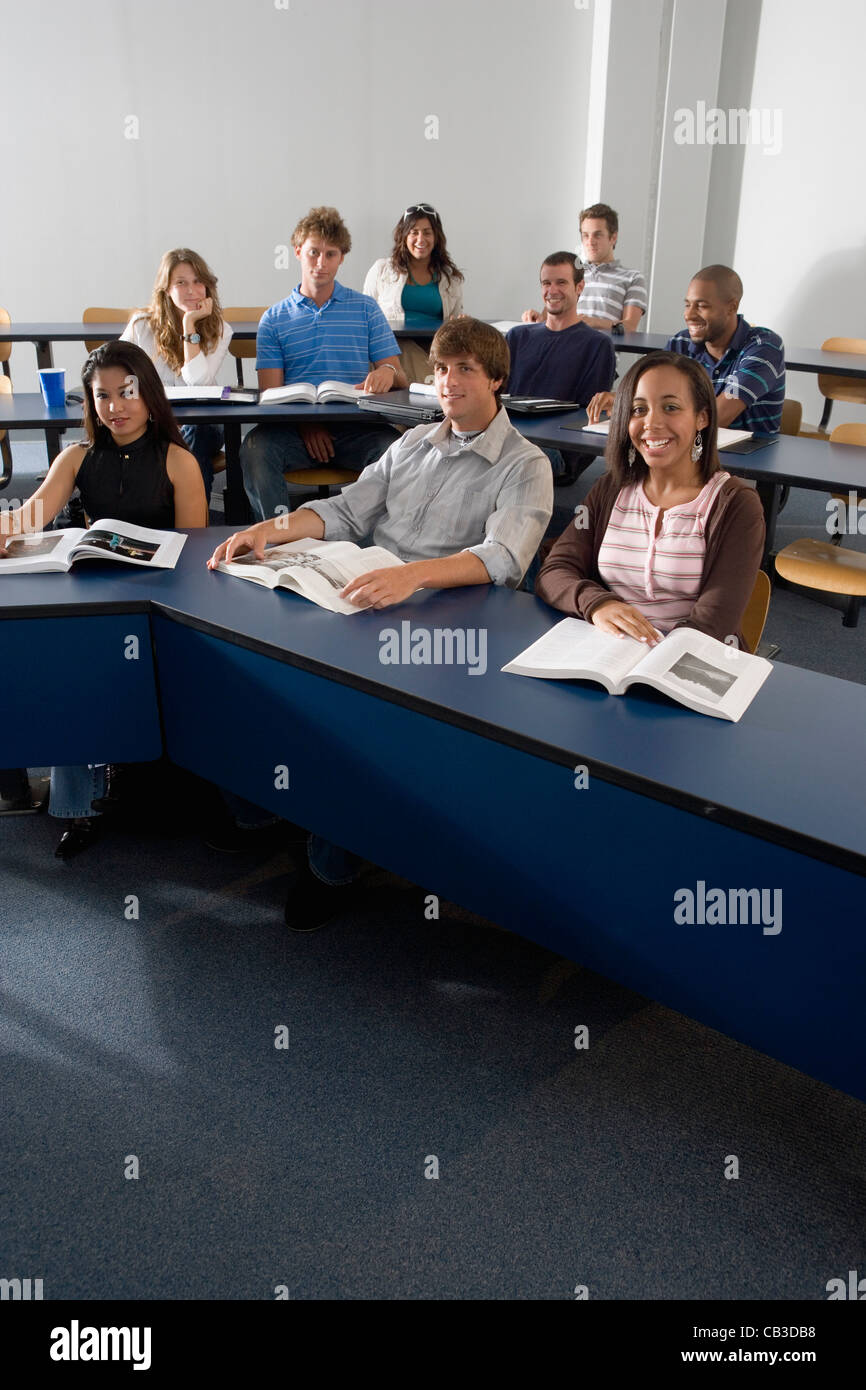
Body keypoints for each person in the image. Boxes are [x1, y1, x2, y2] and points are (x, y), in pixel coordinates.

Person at [210, 319, 553, 932]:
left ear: (498, 378)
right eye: (442, 369)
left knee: (354, 711)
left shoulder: (525, 465)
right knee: (258, 656)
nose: (448, 382)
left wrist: (414, 576)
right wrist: (272, 529)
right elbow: (345, 511)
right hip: (378, 593)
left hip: (453, 619)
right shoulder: (411, 443)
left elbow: (504, 559)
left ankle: (331, 864)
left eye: (465, 370)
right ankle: (263, 807)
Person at [0, 341, 207, 858]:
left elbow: (195, 550)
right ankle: (77, 809)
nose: (115, 406)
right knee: (65, 668)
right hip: (92, 597)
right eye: (102, 396)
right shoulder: (76, 457)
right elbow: (28, 516)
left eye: (126, 393)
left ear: (148, 394)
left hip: (161, 599)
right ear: (90, 402)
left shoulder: (179, 461)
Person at [536, 352, 765, 648]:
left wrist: (651, 657)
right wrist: (598, 605)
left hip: (689, 660)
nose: (651, 422)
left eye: (671, 407)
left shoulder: (736, 504)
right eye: (638, 409)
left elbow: (714, 622)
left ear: (702, 417)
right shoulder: (610, 489)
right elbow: (554, 571)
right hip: (608, 651)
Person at [241, 206, 408, 522]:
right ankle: (278, 534)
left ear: (341, 258)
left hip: (355, 428)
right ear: (298, 251)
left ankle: (371, 537)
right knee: (255, 448)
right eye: (313, 252)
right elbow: (270, 395)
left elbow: (398, 374)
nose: (321, 263)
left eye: (330, 254)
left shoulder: (366, 309)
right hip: (294, 431)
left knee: (393, 447)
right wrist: (306, 425)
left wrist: (387, 372)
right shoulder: (274, 319)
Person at [587, 266, 785, 434]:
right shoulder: (681, 342)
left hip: (746, 468)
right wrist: (623, 400)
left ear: (732, 307)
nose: (689, 315)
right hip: (687, 454)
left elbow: (718, 416)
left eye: (701, 306)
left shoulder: (764, 347)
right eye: (688, 304)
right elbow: (649, 393)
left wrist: (639, 408)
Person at [121, 248, 232, 501]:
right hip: (154, 423)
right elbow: (119, 373)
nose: (191, 290)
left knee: (194, 437)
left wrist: (189, 325)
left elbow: (198, 382)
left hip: (204, 424)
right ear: (166, 290)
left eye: (197, 281)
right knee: (182, 449)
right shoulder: (141, 326)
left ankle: (193, 523)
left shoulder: (221, 329)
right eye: (181, 283)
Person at [506, 252, 616, 480]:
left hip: (556, 451)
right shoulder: (517, 337)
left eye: (561, 283)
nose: (552, 290)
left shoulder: (597, 345)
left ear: (579, 287)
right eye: (546, 283)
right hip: (509, 438)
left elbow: (588, 415)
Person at [363, 203, 464, 383]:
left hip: (434, 348)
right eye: (414, 232)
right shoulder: (381, 270)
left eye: (427, 232)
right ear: (404, 236)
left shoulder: (451, 278)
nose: (420, 239)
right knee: (407, 351)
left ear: (436, 237)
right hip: (394, 348)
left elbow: (454, 323)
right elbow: (365, 316)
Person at [523, 204, 647, 331]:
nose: (590, 242)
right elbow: (548, 318)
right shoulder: (569, 273)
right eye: (585, 235)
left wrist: (594, 322)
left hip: (602, 348)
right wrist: (537, 318)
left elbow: (630, 327)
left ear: (613, 237)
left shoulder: (632, 278)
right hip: (565, 343)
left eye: (597, 235)